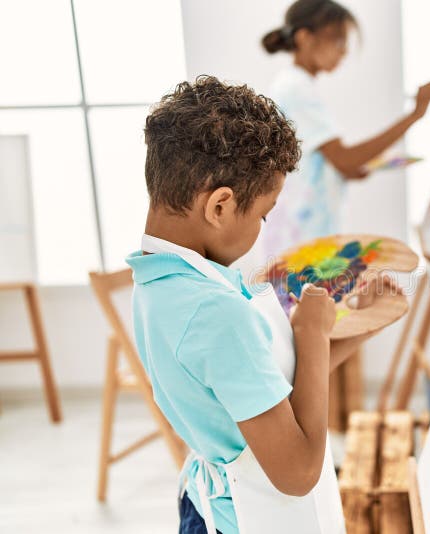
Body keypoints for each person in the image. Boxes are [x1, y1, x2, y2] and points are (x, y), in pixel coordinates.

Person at [127, 75, 351, 534]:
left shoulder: (160, 280)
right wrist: (311, 333)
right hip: (243, 520)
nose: (262, 229)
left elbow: (264, 380)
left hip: (202, 502)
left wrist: (346, 329)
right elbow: (297, 474)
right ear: (221, 206)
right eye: (263, 215)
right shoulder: (214, 313)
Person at [260, 0, 430, 255]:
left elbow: (323, 161)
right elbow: (344, 159)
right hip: (302, 241)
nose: (344, 51)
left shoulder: (297, 85)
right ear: (305, 38)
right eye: (338, 41)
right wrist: (414, 115)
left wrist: (347, 169)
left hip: (303, 235)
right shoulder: (296, 88)